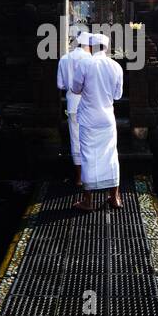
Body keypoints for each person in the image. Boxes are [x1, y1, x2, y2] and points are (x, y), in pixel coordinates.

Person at [70, 31, 124, 210]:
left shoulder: (84, 63)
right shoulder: (116, 66)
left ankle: (87, 201)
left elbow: (76, 89)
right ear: (107, 48)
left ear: (91, 47)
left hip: (88, 118)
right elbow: (118, 95)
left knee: (88, 156)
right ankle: (114, 197)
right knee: (111, 155)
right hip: (107, 118)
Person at [56, 28, 93, 184]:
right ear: (89, 45)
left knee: (76, 140)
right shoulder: (91, 60)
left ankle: (78, 178)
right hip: (90, 105)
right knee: (91, 140)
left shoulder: (65, 59)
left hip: (73, 104)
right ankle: (91, 176)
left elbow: (60, 85)